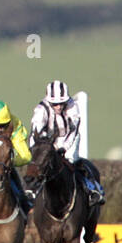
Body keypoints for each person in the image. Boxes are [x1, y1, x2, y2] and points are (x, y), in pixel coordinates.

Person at [30, 80, 104, 208]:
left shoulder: (72, 106)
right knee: (38, 164)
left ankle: (92, 189)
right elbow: (35, 133)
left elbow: (73, 131)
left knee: (72, 161)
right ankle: (30, 191)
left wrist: (62, 148)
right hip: (46, 142)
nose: (58, 107)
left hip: (68, 139)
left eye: (61, 103)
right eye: (55, 104)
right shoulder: (41, 109)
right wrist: (43, 148)